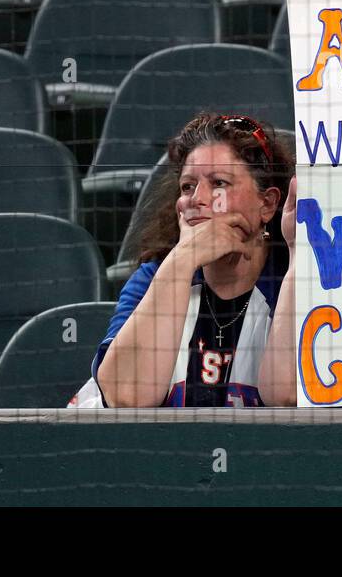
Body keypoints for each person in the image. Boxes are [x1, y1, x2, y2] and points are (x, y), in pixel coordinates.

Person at [93, 112, 297, 407]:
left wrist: (299, 253)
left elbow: (287, 395)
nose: (196, 199)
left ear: (267, 204)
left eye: (219, 183)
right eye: (188, 186)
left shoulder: (295, 281)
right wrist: (183, 258)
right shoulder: (153, 278)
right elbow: (127, 397)